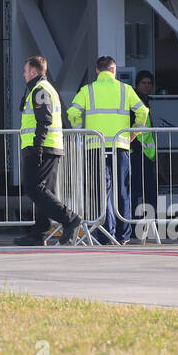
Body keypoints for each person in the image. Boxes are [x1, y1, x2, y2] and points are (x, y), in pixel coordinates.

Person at [67, 57, 151, 245]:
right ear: (114, 70)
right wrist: (134, 132)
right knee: (122, 190)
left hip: (94, 146)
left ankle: (105, 235)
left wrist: (82, 131)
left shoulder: (87, 90)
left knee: (100, 191)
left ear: (97, 71)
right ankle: (123, 235)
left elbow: (72, 112)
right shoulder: (125, 89)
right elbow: (142, 112)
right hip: (120, 146)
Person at [14, 56, 82, 247]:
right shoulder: (42, 89)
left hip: (42, 147)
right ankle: (39, 233)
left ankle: (69, 219)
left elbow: (44, 120)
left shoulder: (40, 90)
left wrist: (37, 147)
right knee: (45, 190)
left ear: (33, 72)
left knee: (34, 188)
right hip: (50, 146)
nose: (23, 74)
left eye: (25, 71)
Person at [130, 70, 160, 218]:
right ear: (137, 84)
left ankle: (149, 222)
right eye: (144, 83)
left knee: (148, 191)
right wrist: (137, 147)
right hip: (137, 154)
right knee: (137, 190)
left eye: (149, 83)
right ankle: (139, 222)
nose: (147, 86)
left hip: (147, 155)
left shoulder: (145, 101)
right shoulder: (135, 102)